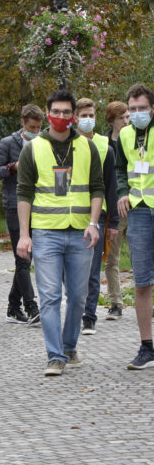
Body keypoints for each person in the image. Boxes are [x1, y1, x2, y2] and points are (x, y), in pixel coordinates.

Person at [17, 89, 103, 377]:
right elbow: (24, 193)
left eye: (68, 112)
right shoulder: (32, 149)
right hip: (45, 233)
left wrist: (94, 223)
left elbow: (97, 188)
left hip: (80, 233)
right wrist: (24, 235)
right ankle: (55, 356)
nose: (62, 117)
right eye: (57, 112)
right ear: (48, 113)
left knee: (78, 297)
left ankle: (69, 346)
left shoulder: (88, 148)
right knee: (50, 295)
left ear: (74, 116)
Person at [115, 83, 154, 370]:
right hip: (139, 211)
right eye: (133, 109)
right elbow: (119, 169)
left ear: (152, 108)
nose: (137, 113)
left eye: (142, 108)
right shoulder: (125, 135)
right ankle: (146, 347)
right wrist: (121, 191)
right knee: (142, 282)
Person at [0, 105, 42, 325]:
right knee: (23, 258)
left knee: (25, 258)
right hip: (14, 205)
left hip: (38, 206)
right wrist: (13, 167)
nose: (36, 131)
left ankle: (13, 307)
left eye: (39, 127)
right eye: (32, 127)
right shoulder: (7, 143)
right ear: (23, 122)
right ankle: (32, 307)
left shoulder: (43, 143)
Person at [76, 98, 119, 337]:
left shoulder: (106, 146)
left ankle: (89, 317)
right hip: (71, 213)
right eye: (84, 114)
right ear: (75, 117)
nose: (88, 119)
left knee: (92, 270)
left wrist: (113, 222)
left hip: (98, 215)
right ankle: (77, 309)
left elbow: (111, 186)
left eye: (91, 114)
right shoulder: (67, 144)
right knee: (71, 271)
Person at [103, 100, 130, 320]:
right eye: (122, 117)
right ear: (112, 120)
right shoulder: (103, 144)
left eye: (127, 117)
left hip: (139, 204)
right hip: (114, 207)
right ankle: (116, 303)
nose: (126, 121)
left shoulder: (137, 139)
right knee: (112, 257)